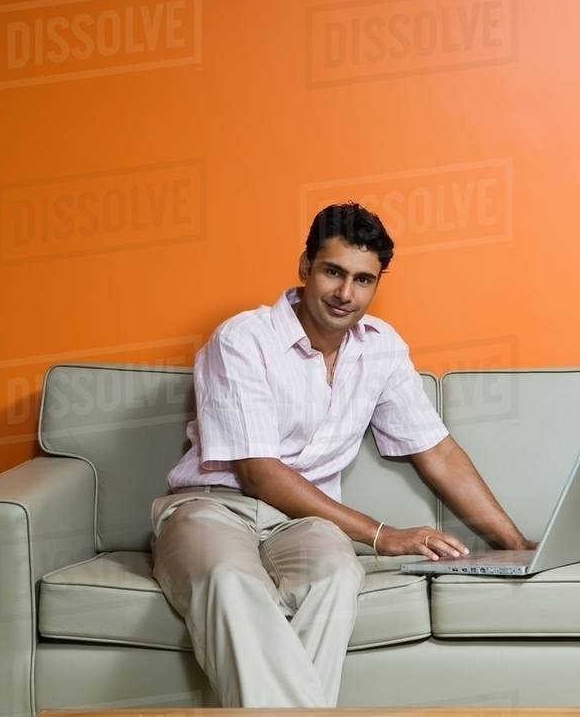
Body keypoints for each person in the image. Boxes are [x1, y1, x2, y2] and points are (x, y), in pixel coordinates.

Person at [149, 201, 539, 708]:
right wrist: (383, 535)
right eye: (333, 272)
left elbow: (437, 451)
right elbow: (259, 473)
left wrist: (518, 545)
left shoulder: (381, 348)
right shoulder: (243, 339)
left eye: (363, 280)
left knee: (336, 576)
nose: (345, 294)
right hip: (213, 507)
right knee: (228, 581)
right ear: (305, 266)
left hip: (303, 526)